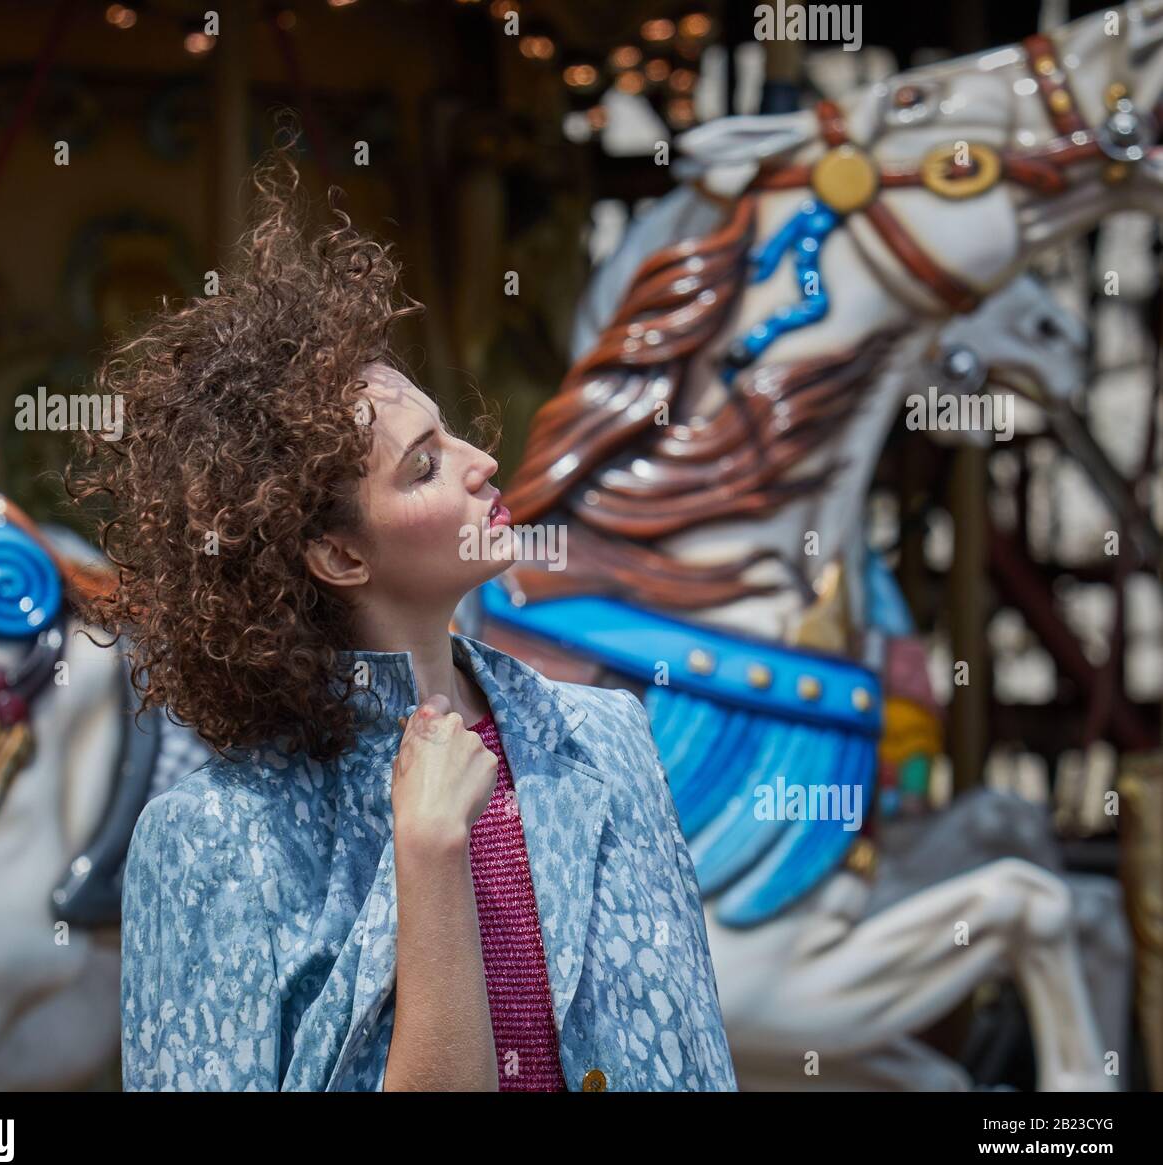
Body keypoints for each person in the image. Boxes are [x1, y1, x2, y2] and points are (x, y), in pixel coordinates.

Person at [69, 148, 736, 1092]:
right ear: (340, 556)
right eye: (421, 466)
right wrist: (428, 856)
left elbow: (696, 1064)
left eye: (447, 430)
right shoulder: (216, 837)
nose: (477, 461)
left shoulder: (605, 739)